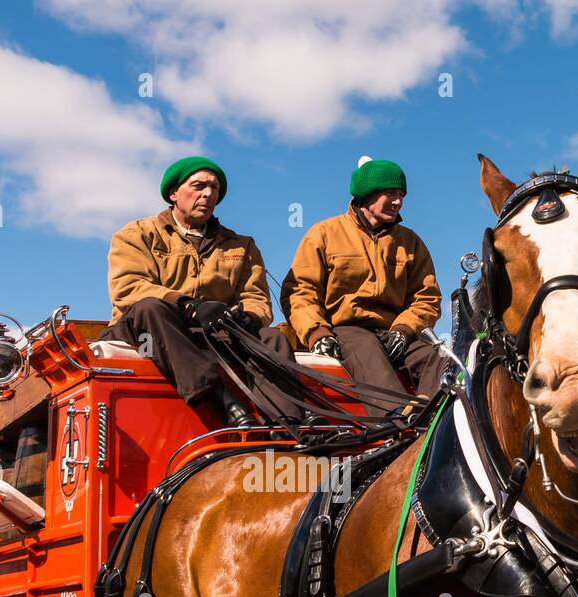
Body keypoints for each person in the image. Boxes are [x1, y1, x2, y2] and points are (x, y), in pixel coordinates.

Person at [100, 155, 302, 427]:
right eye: (198, 186)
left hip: (213, 333)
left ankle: (288, 427)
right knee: (151, 307)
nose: (207, 193)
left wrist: (247, 318)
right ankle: (222, 401)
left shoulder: (241, 245)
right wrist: (186, 305)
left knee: (271, 337)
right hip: (147, 330)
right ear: (173, 193)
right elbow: (128, 287)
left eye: (214, 188)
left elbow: (256, 298)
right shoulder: (137, 233)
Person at [281, 157, 444, 415]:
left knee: (438, 358)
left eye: (401, 194)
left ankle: (438, 421)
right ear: (367, 194)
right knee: (366, 350)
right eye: (390, 193)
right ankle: (398, 423)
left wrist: (404, 329)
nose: (398, 201)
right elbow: (301, 290)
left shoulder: (411, 242)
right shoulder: (324, 233)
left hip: (395, 332)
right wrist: (316, 333)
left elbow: (427, 297)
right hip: (347, 329)